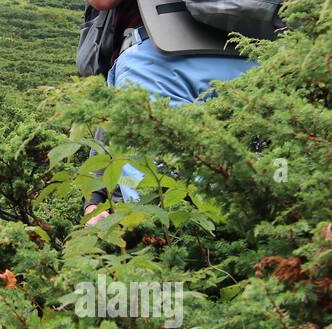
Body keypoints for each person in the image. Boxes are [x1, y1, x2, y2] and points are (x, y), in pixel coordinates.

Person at [80, 0, 257, 224]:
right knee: (262, 205)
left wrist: (95, 198)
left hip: (162, 59)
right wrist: (95, 196)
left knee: (161, 210)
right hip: (256, 57)